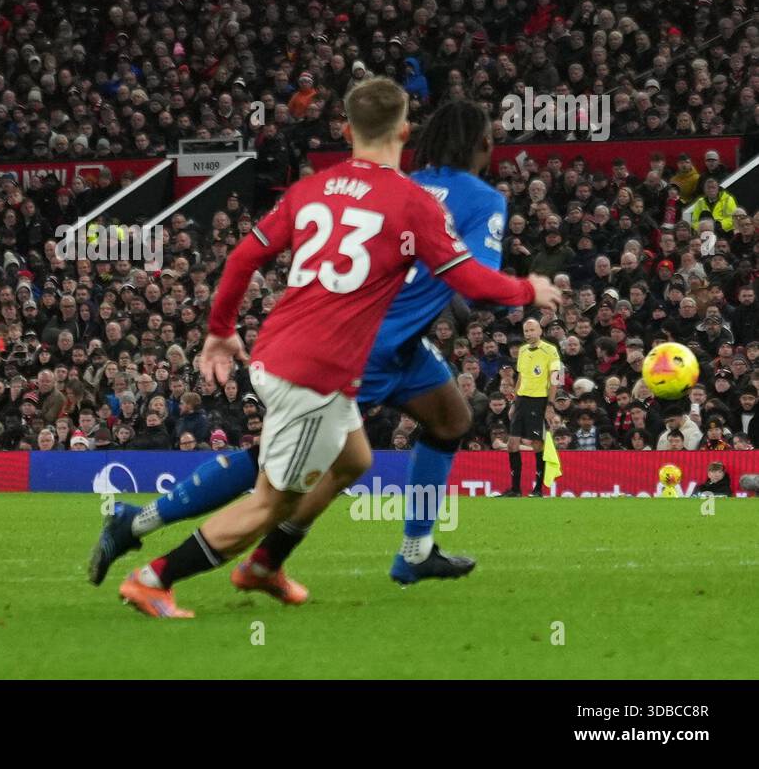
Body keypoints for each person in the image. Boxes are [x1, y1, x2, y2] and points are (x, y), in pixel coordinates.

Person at [113, 78, 561, 617]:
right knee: (274, 480)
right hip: (352, 347)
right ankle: (152, 550)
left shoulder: (377, 184)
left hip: (379, 343)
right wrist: (527, 290)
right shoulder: (462, 198)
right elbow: (476, 283)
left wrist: (220, 325)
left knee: (440, 422)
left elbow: (244, 257)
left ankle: (408, 552)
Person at [505, 318, 562, 496]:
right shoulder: (522, 350)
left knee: (537, 444)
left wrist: (550, 405)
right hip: (522, 400)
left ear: (540, 331)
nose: (529, 334)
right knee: (512, 444)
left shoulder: (551, 351)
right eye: (526, 331)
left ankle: (538, 489)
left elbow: (555, 379)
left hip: (539, 401)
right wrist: (514, 402)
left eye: (532, 330)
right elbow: (520, 377)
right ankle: (515, 489)